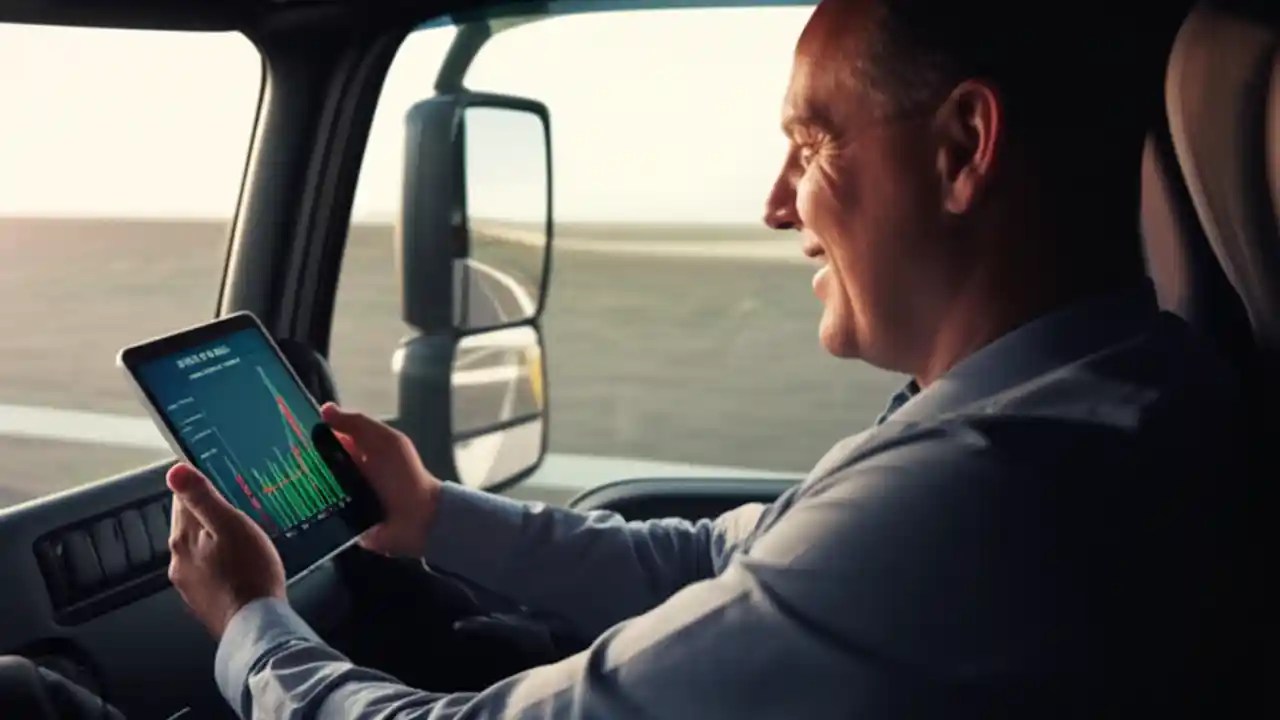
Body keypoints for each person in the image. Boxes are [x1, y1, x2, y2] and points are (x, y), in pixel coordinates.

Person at [164, 0, 1253, 717]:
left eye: (809, 144)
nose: (777, 206)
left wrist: (250, 622)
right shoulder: (1087, 397)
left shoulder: (994, 486)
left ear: (962, 149)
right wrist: (435, 513)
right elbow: (724, 560)